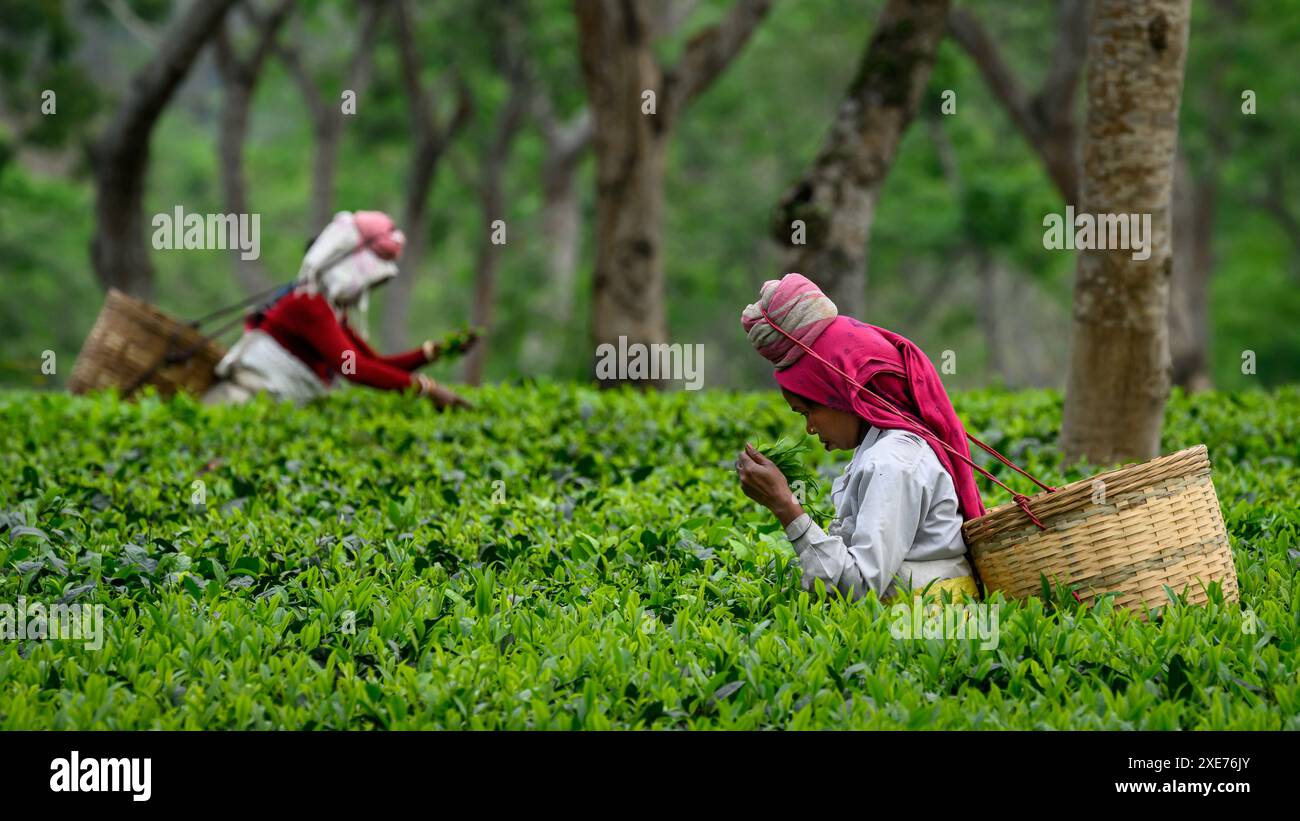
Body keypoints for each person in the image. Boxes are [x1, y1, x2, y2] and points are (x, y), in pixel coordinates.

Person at [735, 273, 984, 604]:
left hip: (926, 629)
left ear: (840, 394)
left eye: (807, 412)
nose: (810, 429)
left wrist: (786, 507)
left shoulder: (894, 462)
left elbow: (860, 589)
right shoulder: (883, 451)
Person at [203, 210, 472, 409]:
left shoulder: (329, 311)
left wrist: (433, 352)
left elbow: (372, 363)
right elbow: (355, 369)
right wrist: (427, 389)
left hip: (269, 408)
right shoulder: (308, 305)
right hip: (241, 404)